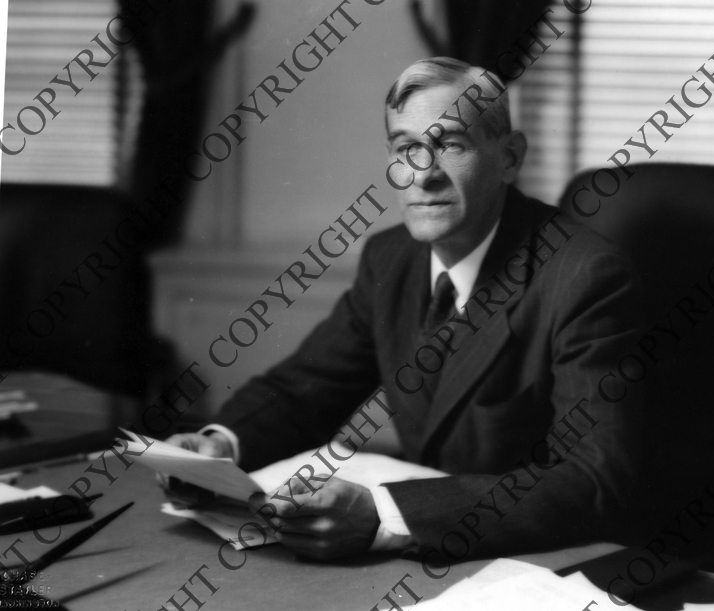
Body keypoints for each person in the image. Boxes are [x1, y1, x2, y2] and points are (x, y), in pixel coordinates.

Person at [163, 57, 643, 562]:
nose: (423, 174)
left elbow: (593, 480)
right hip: (440, 558)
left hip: (552, 562)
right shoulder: (390, 258)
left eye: (451, 145)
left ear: (509, 158)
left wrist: (387, 516)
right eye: (406, 148)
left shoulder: (586, 276)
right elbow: (306, 388)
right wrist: (220, 447)